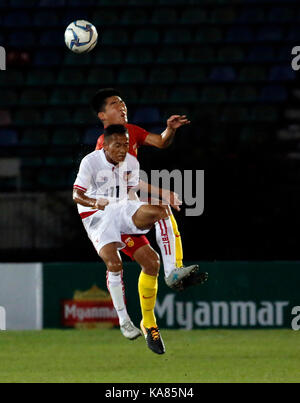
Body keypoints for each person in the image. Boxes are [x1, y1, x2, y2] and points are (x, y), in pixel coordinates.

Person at [91, 88, 208, 292]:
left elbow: (161, 142)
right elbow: (125, 181)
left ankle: (150, 322)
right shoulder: (105, 144)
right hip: (113, 216)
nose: (122, 106)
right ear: (102, 115)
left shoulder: (132, 131)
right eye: (114, 103)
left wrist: (170, 129)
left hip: (129, 208)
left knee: (152, 263)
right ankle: (173, 271)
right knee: (162, 210)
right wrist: (164, 193)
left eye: (123, 102)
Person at [73, 124, 170, 354]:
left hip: (121, 207)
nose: (123, 149)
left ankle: (172, 270)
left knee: (160, 219)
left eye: (126, 144)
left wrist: (144, 209)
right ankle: (124, 320)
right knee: (115, 264)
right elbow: (77, 194)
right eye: (117, 145)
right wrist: (95, 202)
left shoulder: (131, 163)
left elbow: (131, 193)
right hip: (95, 215)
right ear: (104, 146)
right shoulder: (91, 161)